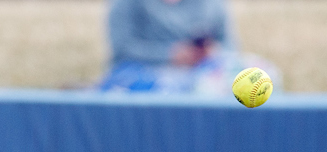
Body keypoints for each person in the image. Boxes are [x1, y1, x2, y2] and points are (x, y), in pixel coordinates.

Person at [100, 0, 279, 95]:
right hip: (146, 72)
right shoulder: (126, 3)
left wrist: (211, 54)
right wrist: (171, 55)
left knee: (262, 74)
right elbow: (123, 48)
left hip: (202, 70)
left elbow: (229, 47)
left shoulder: (211, 4)